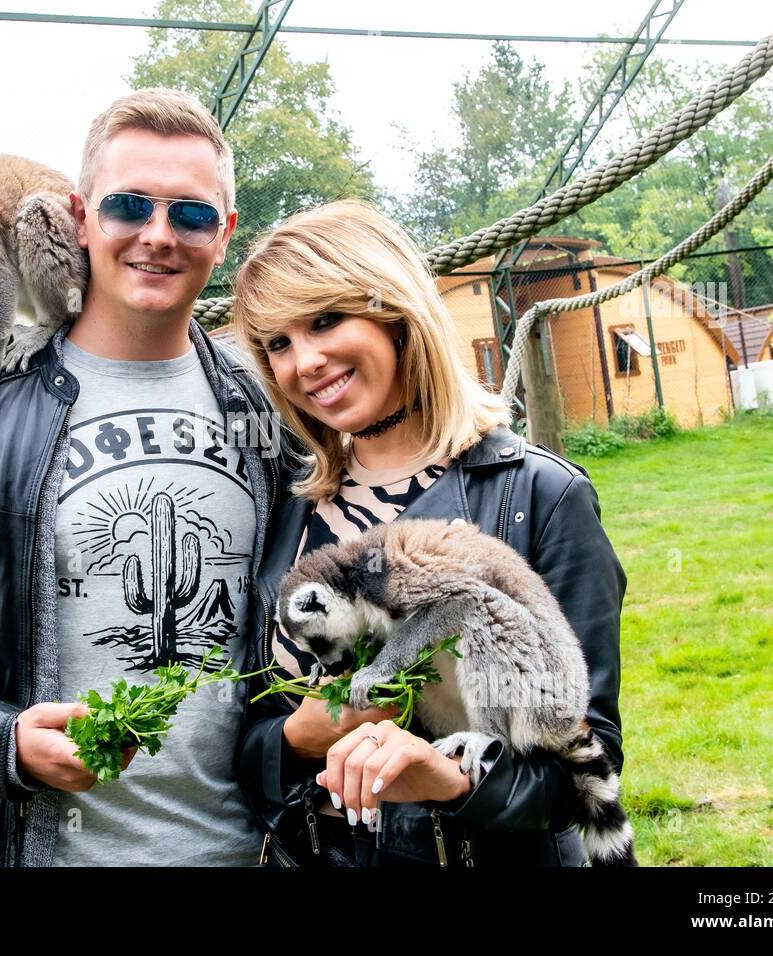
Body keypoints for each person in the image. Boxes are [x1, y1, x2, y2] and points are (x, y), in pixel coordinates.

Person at [0, 88, 286, 866]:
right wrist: (0, 740)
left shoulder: (265, 402)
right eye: (127, 207)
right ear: (80, 216)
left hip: (239, 850)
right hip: (39, 849)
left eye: (189, 214)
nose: (158, 236)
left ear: (224, 234)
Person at [230, 199, 627, 866]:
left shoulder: (537, 496)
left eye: (325, 320)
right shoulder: (287, 510)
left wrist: (447, 780)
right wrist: (297, 737)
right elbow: (249, 742)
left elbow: (585, 767)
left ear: (393, 311)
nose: (306, 362)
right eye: (279, 344)